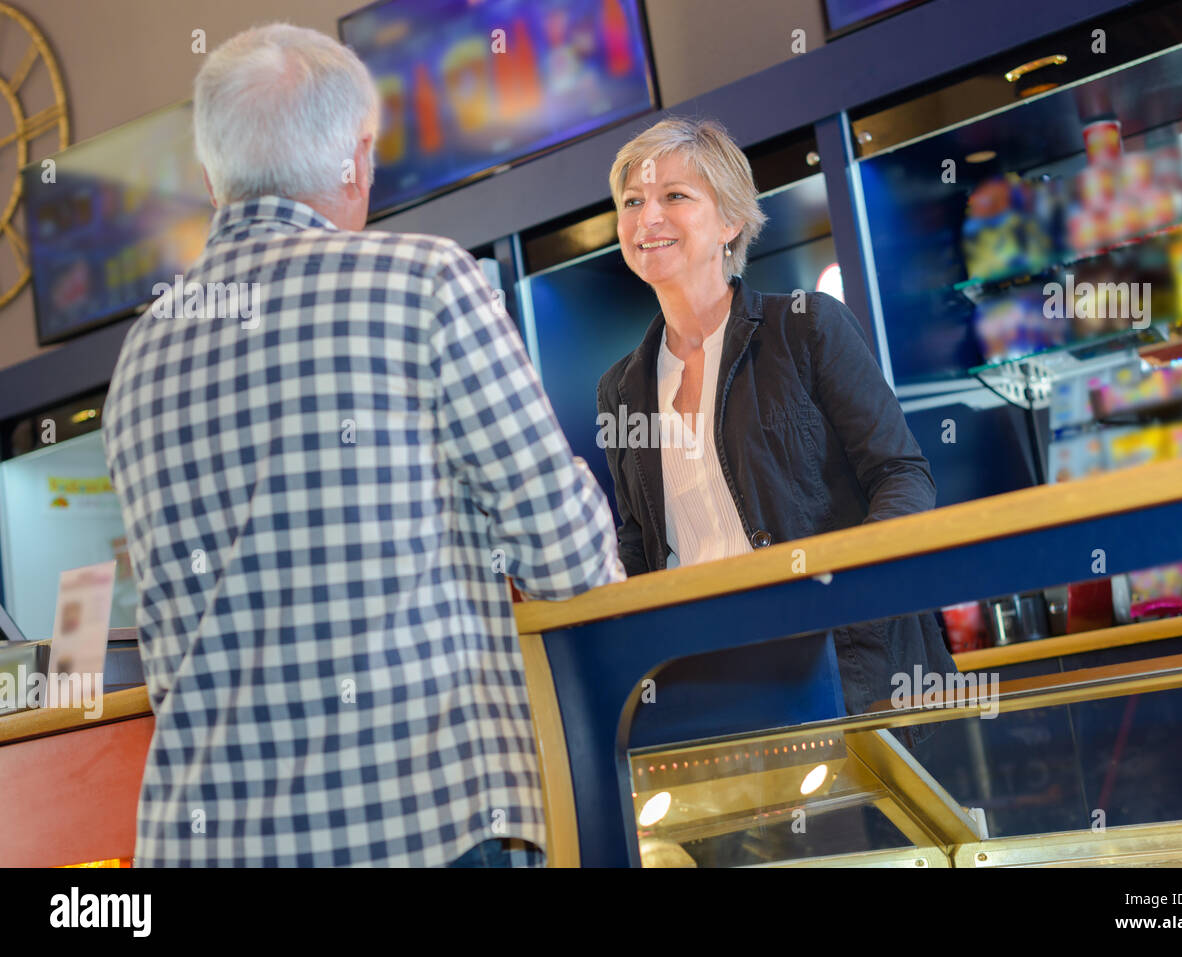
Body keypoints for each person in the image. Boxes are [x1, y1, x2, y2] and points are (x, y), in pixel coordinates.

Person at [102, 24, 624, 868]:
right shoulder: (425, 281)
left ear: (210, 179)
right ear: (357, 159)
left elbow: (165, 635)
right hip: (425, 826)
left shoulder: (141, 359)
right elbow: (565, 552)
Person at [596, 117, 955, 739]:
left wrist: (847, 595)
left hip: (850, 678)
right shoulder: (619, 389)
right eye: (632, 202)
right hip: (708, 695)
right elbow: (639, 543)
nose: (647, 217)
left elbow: (903, 476)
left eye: (674, 196)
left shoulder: (807, 327)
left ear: (730, 221)